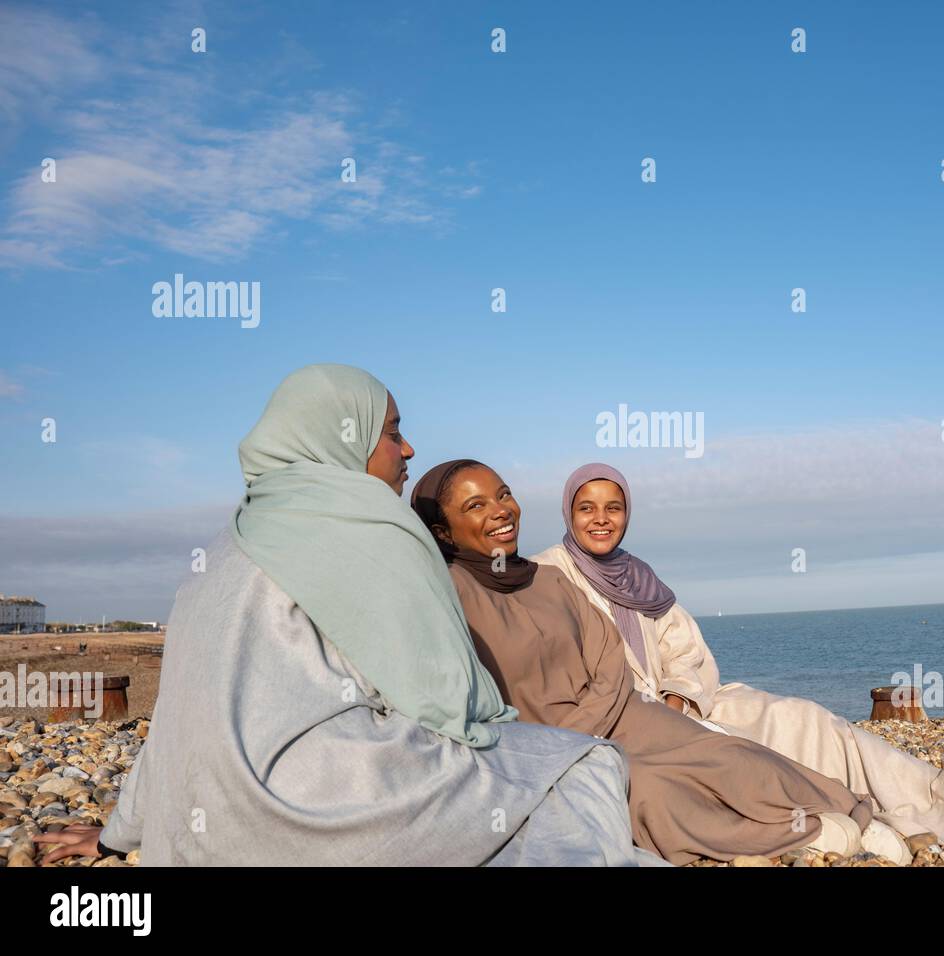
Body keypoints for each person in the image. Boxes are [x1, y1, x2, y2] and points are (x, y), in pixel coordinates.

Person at [36, 366, 654, 867]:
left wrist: (124, 831)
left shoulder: (233, 536)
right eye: (391, 431)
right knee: (581, 761)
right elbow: (447, 705)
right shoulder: (371, 522)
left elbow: (181, 715)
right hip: (323, 820)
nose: (408, 447)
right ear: (345, 434)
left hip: (208, 832)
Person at [414, 459, 944, 866]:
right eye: (476, 505)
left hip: (644, 705)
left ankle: (898, 806)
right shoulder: (462, 593)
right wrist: (578, 733)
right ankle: (806, 832)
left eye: (503, 494)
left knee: (765, 738)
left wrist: (678, 693)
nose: (500, 510)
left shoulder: (576, 580)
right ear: (442, 528)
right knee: (654, 791)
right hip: (560, 740)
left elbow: (642, 650)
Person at [531, 462, 944, 846]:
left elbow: (684, 649)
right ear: (568, 513)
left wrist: (681, 696)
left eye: (613, 507)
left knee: (802, 719)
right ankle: (882, 822)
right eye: (587, 507)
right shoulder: (547, 576)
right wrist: (648, 713)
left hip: (684, 704)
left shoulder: (639, 576)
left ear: (627, 514)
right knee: (756, 761)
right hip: (621, 724)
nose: (601, 519)